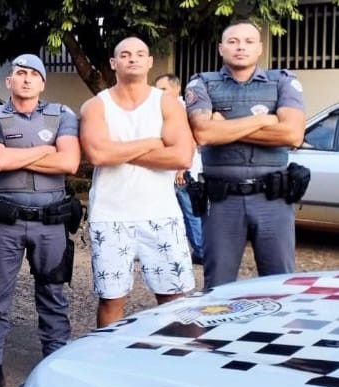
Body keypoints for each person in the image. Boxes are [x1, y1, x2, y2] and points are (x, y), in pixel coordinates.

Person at [0, 54, 80, 387]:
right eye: (19, 73)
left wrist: (22, 152)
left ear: (42, 83)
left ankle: (55, 364)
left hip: (50, 224)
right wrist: (45, 150)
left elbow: (69, 161)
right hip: (5, 223)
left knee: (52, 296)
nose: (26, 79)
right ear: (9, 81)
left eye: (33, 74)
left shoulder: (62, 114)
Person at [80, 37, 195, 328]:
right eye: (126, 54)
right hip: (110, 215)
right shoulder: (96, 106)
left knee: (173, 296)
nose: (133, 58)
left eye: (140, 54)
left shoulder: (167, 104)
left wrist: (119, 151)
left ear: (149, 62)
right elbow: (97, 154)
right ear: (113, 63)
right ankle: (109, 360)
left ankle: (177, 356)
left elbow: (182, 156)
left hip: (161, 213)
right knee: (111, 299)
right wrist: (153, 143)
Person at [184, 20, 307, 288]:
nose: (241, 47)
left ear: (260, 48)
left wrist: (223, 126)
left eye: (249, 41)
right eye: (233, 41)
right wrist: (266, 120)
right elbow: (204, 134)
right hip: (221, 202)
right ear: (220, 48)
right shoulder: (203, 83)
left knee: (280, 284)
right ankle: (217, 332)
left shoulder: (282, 81)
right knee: (218, 286)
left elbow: (293, 135)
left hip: (273, 200)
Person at [154, 73, 204, 264]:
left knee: (189, 212)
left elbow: (190, 141)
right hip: (168, 170)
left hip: (181, 172)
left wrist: (181, 170)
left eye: (163, 89)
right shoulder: (164, 109)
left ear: (176, 89)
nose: (159, 93)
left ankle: (200, 250)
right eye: (157, 89)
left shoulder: (183, 110)